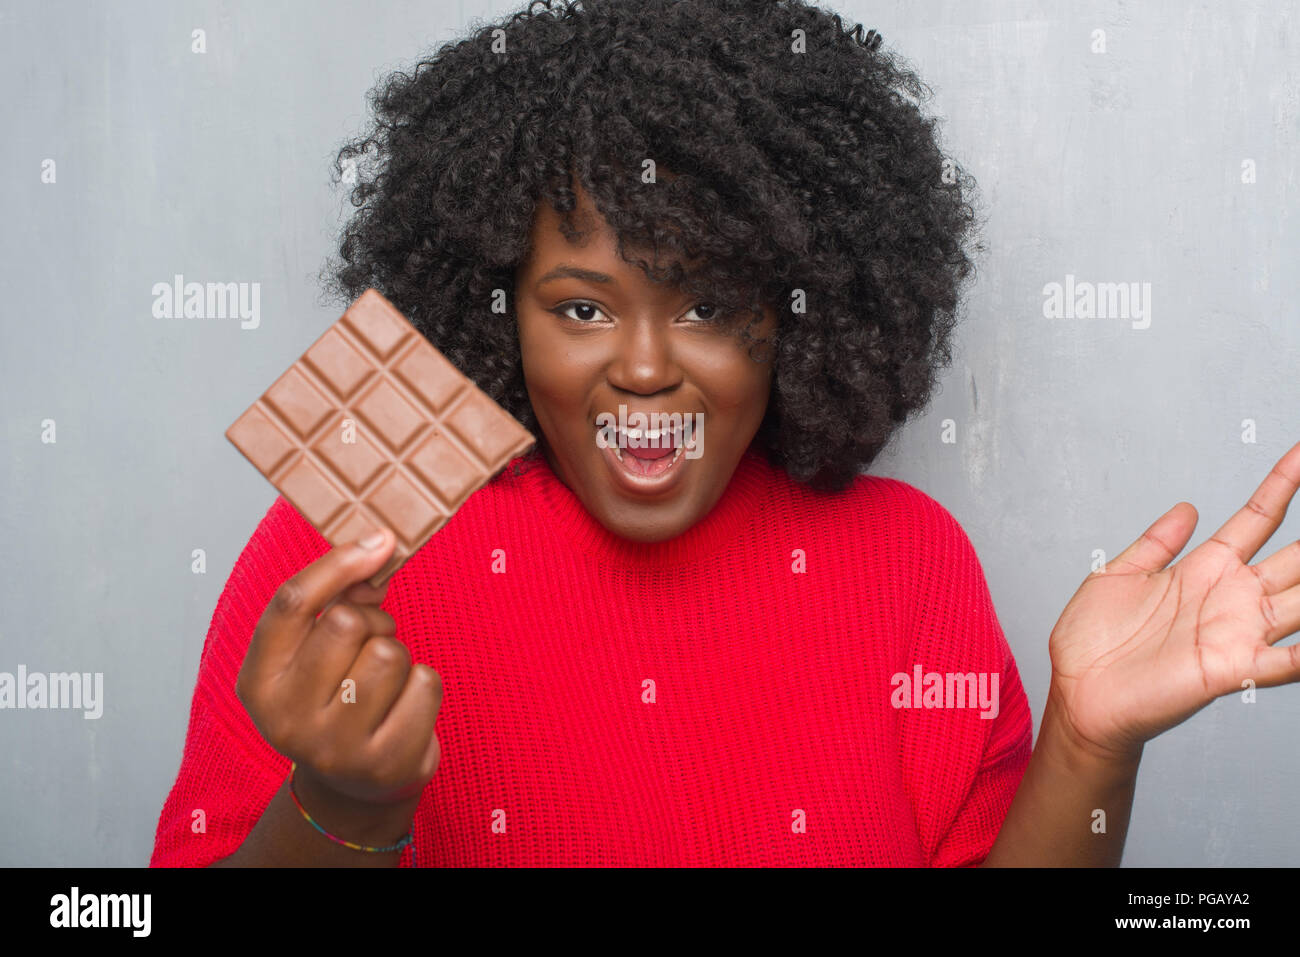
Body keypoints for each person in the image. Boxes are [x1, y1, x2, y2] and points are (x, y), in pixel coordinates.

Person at [150, 0, 1300, 867]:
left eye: (706, 305)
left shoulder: (909, 563)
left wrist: (1091, 745)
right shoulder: (348, 557)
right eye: (581, 307)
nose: (644, 367)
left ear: (801, 311)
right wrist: (339, 807)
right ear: (497, 307)